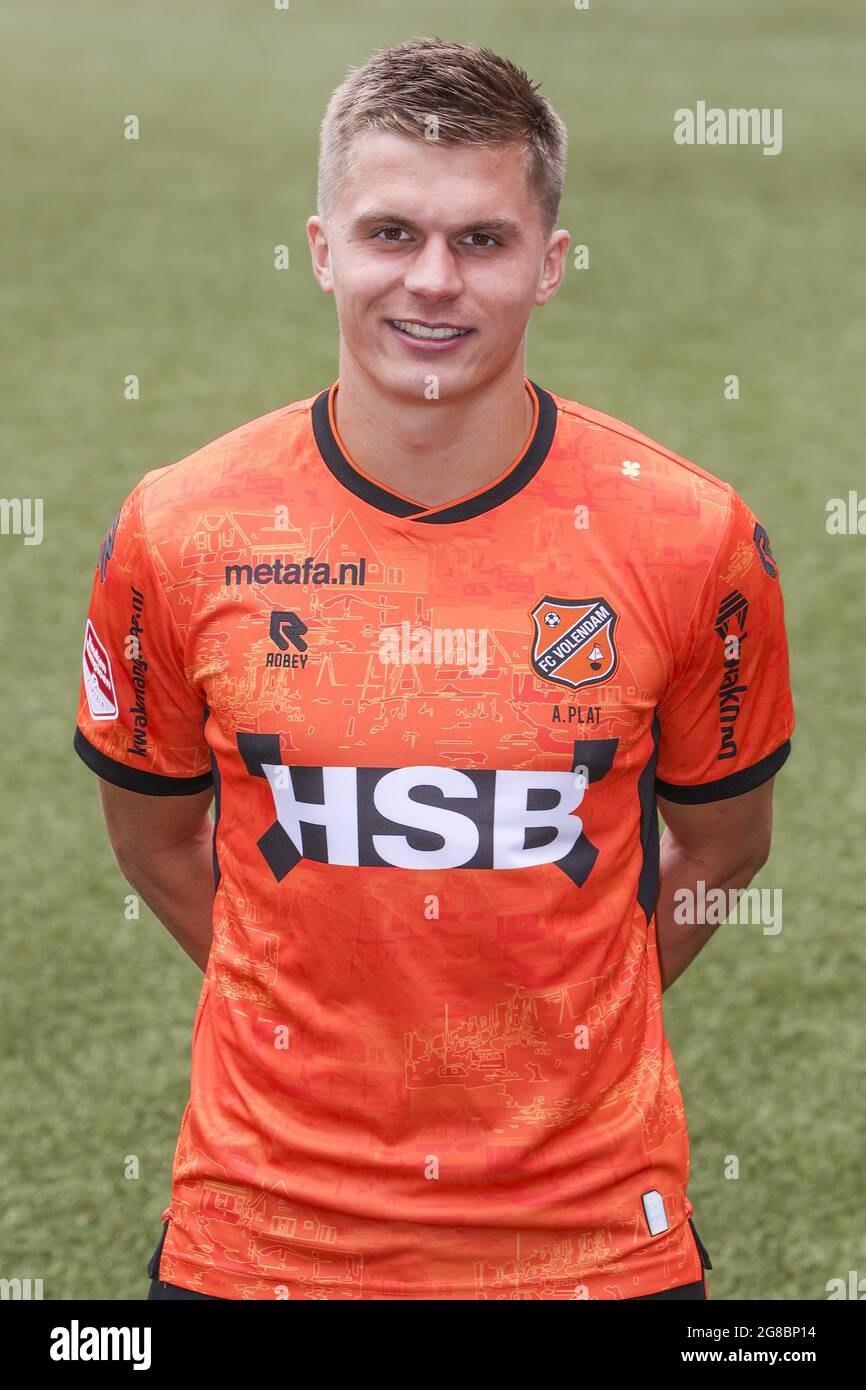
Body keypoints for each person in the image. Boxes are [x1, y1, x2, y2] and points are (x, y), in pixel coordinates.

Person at [73, 37, 794, 1301]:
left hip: (589, 1240)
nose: (431, 282)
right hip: (263, 1233)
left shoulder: (690, 537)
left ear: (549, 264)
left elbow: (723, 850)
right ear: (319, 249)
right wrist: (313, 1008)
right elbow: (159, 844)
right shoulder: (181, 529)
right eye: (390, 231)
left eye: (481, 241)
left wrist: (577, 1020)